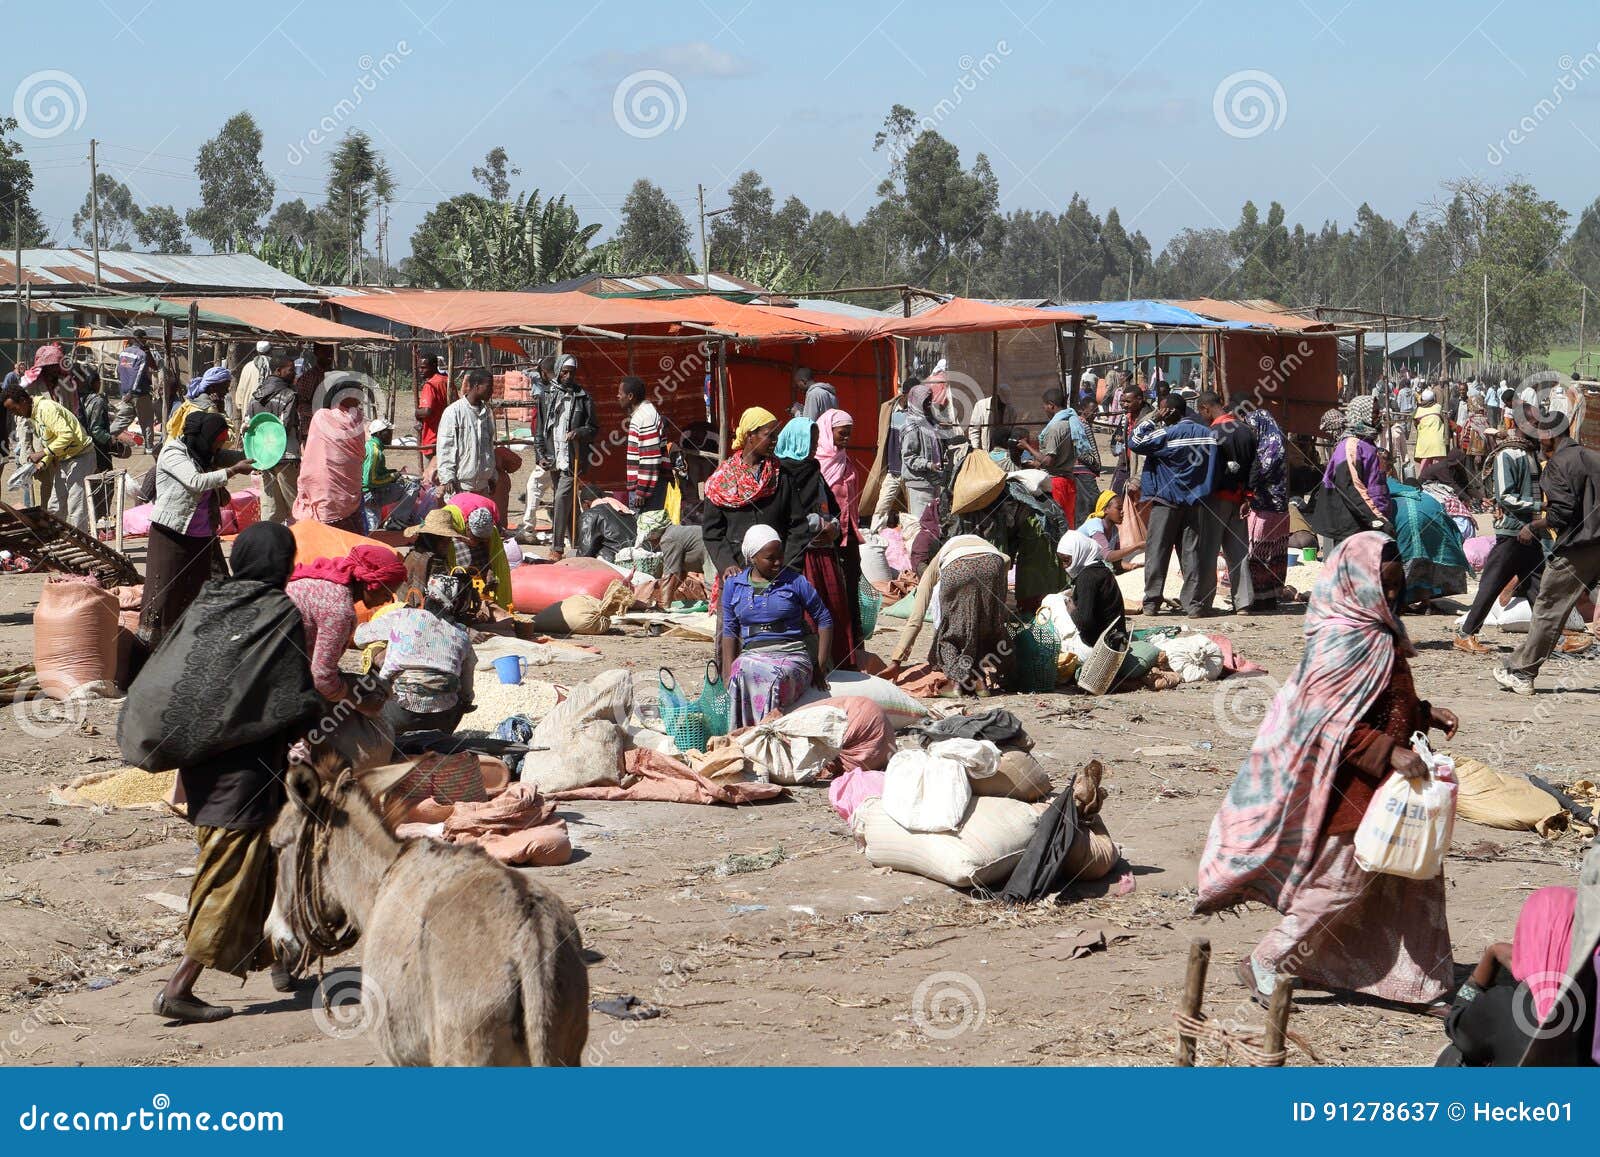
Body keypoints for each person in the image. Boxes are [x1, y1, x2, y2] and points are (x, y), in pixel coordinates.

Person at [1197, 533, 1458, 1014]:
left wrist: (1424, 713)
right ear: (1356, 584)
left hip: (1393, 787)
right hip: (1350, 789)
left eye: (1397, 593)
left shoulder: (1382, 630)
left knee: (1415, 883)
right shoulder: (1339, 637)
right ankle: (1266, 960)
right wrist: (1385, 751)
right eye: (1386, 591)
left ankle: (1421, 982)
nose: (1393, 600)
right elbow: (1321, 718)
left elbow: (1383, 701)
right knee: (1340, 883)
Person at [142, 522, 327, 1022]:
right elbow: (291, 691)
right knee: (229, 877)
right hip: (247, 772)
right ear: (280, 564)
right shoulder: (278, 612)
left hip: (200, 763)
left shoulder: (208, 601)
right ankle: (177, 987)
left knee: (254, 866)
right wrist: (322, 724)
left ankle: (283, 963)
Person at [1496, 424, 1600, 695]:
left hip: (1579, 547)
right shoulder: (1592, 457)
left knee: (1549, 609)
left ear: (1550, 436)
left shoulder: (1558, 464)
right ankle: (1518, 664)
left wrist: (1533, 526)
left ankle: (1522, 673)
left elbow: (1561, 513)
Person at [1439, 886, 1593, 1067]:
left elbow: (1455, 1024)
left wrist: (1486, 965)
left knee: (1456, 1053)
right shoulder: (1592, 995)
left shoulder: (1504, 1003)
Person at [140, 409, 254, 644]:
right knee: (163, 593)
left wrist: (262, 453)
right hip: (171, 533)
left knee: (196, 592)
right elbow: (196, 482)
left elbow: (234, 456)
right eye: (216, 443)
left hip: (201, 536)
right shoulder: (173, 453)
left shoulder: (205, 454)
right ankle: (152, 647)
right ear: (204, 438)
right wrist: (233, 471)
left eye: (220, 444)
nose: (217, 449)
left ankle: (188, 643)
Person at [720, 524, 833, 727]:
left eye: (780, 556)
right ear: (752, 558)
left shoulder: (796, 582)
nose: (778, 562)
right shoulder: (733, 585)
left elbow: (824, 619)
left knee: (773, 677)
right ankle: (743, 736)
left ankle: (769, 733)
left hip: (792, 655)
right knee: (739, 674)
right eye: (770, 558)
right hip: (752, 654)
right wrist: (727, 671)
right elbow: (729, 630)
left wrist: (820, 665)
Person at [702, 407, 809, 610]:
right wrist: (726, 564)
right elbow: (712, 532)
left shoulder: (781, 477)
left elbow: (797, 526)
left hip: (777, 575)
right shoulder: (721, 480)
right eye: (769, 435)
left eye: (777, 435)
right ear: (750, 435)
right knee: (732, 634)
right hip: (736, 574)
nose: (775, 440)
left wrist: (790, 567)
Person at [775, 416, 859, 671]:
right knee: (809, 612)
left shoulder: (814, 470)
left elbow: (832, 508)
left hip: (825, 553)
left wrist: (833, 526)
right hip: (803, 556)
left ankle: (835, 662)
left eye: (815, 441)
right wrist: (814, 524)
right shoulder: (783, 473)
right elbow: (785, 514)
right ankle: (810, 665)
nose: (813, 446)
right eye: (808, 441)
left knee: (832, 608)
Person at [882, 534, 1013, 696]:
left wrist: (897, 660)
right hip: (994, 563)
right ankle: (979, 682)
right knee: (983, 626)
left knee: (949, 634)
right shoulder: (970, 542)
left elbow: (916, 618)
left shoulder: (934, 567)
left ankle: (955, 683)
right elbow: (1005, 559)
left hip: (958, 569)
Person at [1456, 429, 1545, 654]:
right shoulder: (1508, 454)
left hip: (1530, 530)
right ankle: (1466, 634)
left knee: (1539, 586)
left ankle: (1551, 636)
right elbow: (1506, 496)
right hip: (1513, 531)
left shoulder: (1532, 453)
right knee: (1492, 582)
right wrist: (1539, 507)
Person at [1128, 393, 1217, 616]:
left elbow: (1134, 441)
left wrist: (1153, 417)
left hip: (1166, 500)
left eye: (1162, 409)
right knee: (1191, 554)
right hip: (1195, 502)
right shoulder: (1208, 435)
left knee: (1157, 552)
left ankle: (1152, 602)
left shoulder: (1167, 434)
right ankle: (1193, 605)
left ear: (1169, 412)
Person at [1056, 529, 1177, 691]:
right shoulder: (1101, 570)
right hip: (1114, 642)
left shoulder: (1088, 577)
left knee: (1052, 602)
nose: (1065, 566)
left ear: (1079, 553)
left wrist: (1071, 609)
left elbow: (1085, 622)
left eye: (1066, 560)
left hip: (1097, 648)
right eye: (1062, 561)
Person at [286, 544, 408, 701]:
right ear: (369, 583)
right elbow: (322, 679)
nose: (387, 600)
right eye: (386, 593)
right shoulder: (339, 610)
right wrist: (357, 702)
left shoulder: (324, 579)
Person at [354, 584, 476, 736]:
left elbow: (359, 637)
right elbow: (467, 690)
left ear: (425, 598)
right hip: (444, 719)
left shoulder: (403, 616)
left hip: (398, 715)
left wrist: (379, 647)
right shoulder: (462, 634)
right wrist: (465, 701)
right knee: (458, 691)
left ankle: (379, 738)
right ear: (457, 605)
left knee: (364, 683)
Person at [1, 382, 98, 532]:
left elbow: (67, 436)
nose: (16, 414)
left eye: (15, 409)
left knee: (76, 506)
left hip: (80, 457)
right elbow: (52, 441)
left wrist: (42, 454)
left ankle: (80, 541)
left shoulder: (46, 409)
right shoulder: (34, 415)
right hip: (65, 459)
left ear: (23, 401)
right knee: (55, 505)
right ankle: (57, 539)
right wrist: (42, 463)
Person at [1195, 391, 1256, 614]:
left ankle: (1204, 602)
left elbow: (1208, 471)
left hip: (1216, 499)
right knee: (1238, 553)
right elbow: (1254, 468)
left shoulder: (1213, 433)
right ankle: (1244, 603)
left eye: (1201, 412)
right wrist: (1248, 496)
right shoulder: (1247, 431)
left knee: (1209, 553)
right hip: (1241, 500)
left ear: (1205, 408)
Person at [1310, 395, 1394, 550]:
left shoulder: (1367, 443)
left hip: (1371, 523)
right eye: (1375, 412)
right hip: (1355, 526)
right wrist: (1376, 519)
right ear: (1362, 415)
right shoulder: (1350, 446)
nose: (1379, 415)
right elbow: (1351, 486)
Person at [1387, 473, 1469, 608]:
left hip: (1406, 533)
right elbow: (1449, 524)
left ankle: (1401, 603)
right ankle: (1426, 604)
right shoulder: (1427, 498)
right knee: (1425, 566)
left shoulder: (1390, 497)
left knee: (1403, 567)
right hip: (1431, 534)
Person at [539, 355, 595, 553]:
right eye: (565, 371)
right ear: (558, 370)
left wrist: (578, 433)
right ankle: (578, 544)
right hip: (554, 457)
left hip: (573, 457)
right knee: (569, 502)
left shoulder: (583, 397)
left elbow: (593, 428)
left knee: (561, 498)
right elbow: (540, 429)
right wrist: (540, 455)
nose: (568, 376)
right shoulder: (546, 395)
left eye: (572, 372)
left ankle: (557, 548)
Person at [1240, 404, 1290, 607]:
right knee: (1269, 551)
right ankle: (1266, 596)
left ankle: (1261, 596)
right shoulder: (1271, 443)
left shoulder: (1270, 449)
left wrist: (1246, 490)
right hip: (1275, 506)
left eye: (1252, 428)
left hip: (1267, 506)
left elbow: (1261, 473)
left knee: (1260, 550)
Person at [246, 347, 303, 524]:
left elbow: (249, 426)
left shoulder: (256, 396)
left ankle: (270, 544)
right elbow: (284, 426)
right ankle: (299, 545)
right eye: (291, 370)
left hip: (264, 457)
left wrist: (255, 456)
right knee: (295, 507)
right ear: (278, 371)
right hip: (286, 455)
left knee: (271, 508)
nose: (294, 373)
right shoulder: (290, 395)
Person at [293, 396, 367, 531]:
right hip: (341, 489)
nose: (359, 400)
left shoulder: (321, 416)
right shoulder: (355, 419)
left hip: (325, 485)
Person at [436, 367, 498, 503]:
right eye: (489, 387)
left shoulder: (487, 413)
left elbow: (489, 447)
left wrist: (492, 475)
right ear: (476, 386)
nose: (491, 391)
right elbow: (446, 446)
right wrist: (447, 478)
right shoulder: (454, 412)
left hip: (482, 485)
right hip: (460, 486)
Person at [445, 492, 514, 610]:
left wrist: (491, 569)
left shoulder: (492, 517)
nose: (477, 543)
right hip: (460, 510)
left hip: (482, 517)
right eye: (475, 538)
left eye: (481, 540)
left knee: (490, 562)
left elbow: (490, 549)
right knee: (462, 563)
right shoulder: (451, 518)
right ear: (467, 528)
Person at [897, 379, 946, 523]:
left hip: (933, 480)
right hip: (919, 483)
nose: (929, 404)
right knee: (922, 525)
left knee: (932, 524)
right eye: (925, 401)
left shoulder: (929, 423)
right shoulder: (911, 426)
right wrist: (928, 464)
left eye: (930, 400)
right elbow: (909, 456)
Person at [620, 375, 666, 513]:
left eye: (620, 393)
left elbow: (650, 457)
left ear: (630, 396)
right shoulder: (643, 414)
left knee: (645, 529)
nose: (617, 396)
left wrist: (642, 490)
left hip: (648, 489)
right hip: (647, 486)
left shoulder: (645, 417)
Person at [113, 329, 160, 452]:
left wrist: (125, 391)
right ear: (141, 339)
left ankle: (108, 436)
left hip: (125, 393)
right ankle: (149, 447)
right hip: (139, 393)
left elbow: (119, 371)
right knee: (147, 421)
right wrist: (132, 392)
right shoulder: (141, 355)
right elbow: (138, 374)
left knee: (122, 420)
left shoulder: (124, 353)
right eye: (144, 339)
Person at [414, 354, 450, 463]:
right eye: (419, 367)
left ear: (434, 366)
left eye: (424, 367)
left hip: (433, 438)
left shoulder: (430, 385)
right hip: (448, 436)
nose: (420, 370)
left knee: (430, 477)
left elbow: (426, 411)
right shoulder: (447, 381)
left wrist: (416, 412)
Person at [232, 341, 271, 431]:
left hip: (248, 407)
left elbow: (241, 389)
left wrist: (240, 404)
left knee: (250, 434)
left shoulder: (248, 366)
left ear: (257, 351)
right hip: (267, 408)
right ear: (270, 351)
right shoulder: (272, 366)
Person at [966, 385, 1013, 452]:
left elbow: (1010, 431)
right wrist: (975, 451)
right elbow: (974, 431)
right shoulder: (981, 405)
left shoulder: (1011, 410)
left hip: (1003, 451)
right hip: (984, 450)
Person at [1414, 387, 1448, 473]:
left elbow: (1416, 424)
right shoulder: (1438, 407)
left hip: (1424, 443)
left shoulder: (1418, 411)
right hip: (1437, 443)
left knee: (1424, 470)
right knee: (1439, 469)